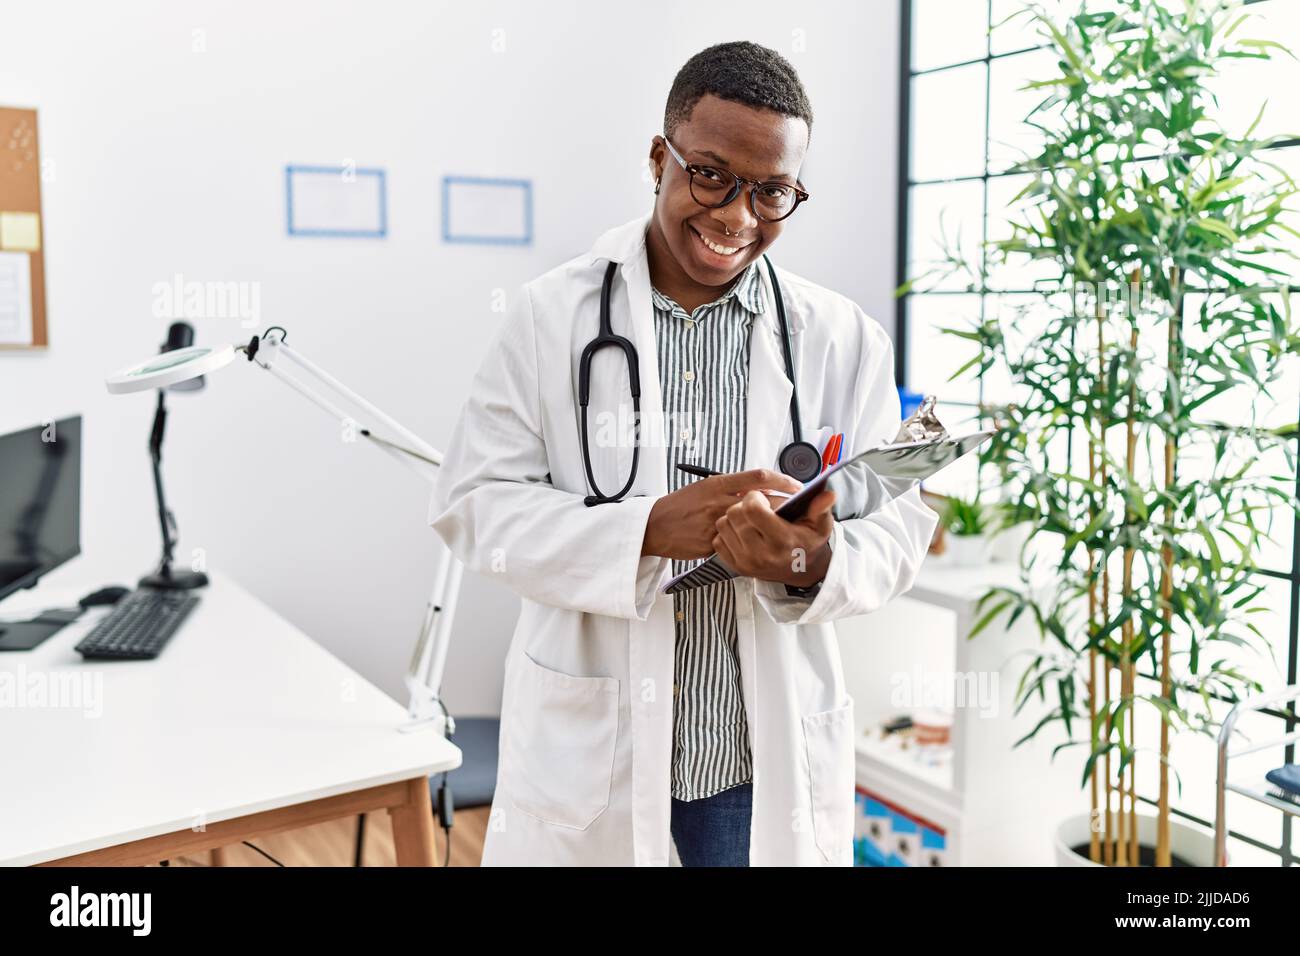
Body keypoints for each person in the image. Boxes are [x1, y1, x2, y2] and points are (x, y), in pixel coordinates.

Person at [430, 40, 936, 866]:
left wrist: (811, 558)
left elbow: (899, 525)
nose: (736, 216)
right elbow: (472, 505)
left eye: (771, 190)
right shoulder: (548, 317)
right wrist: (646, 530)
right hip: (597, 749)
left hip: (751, 761)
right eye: (709, 174)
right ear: (659, 158)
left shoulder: (841, 339)